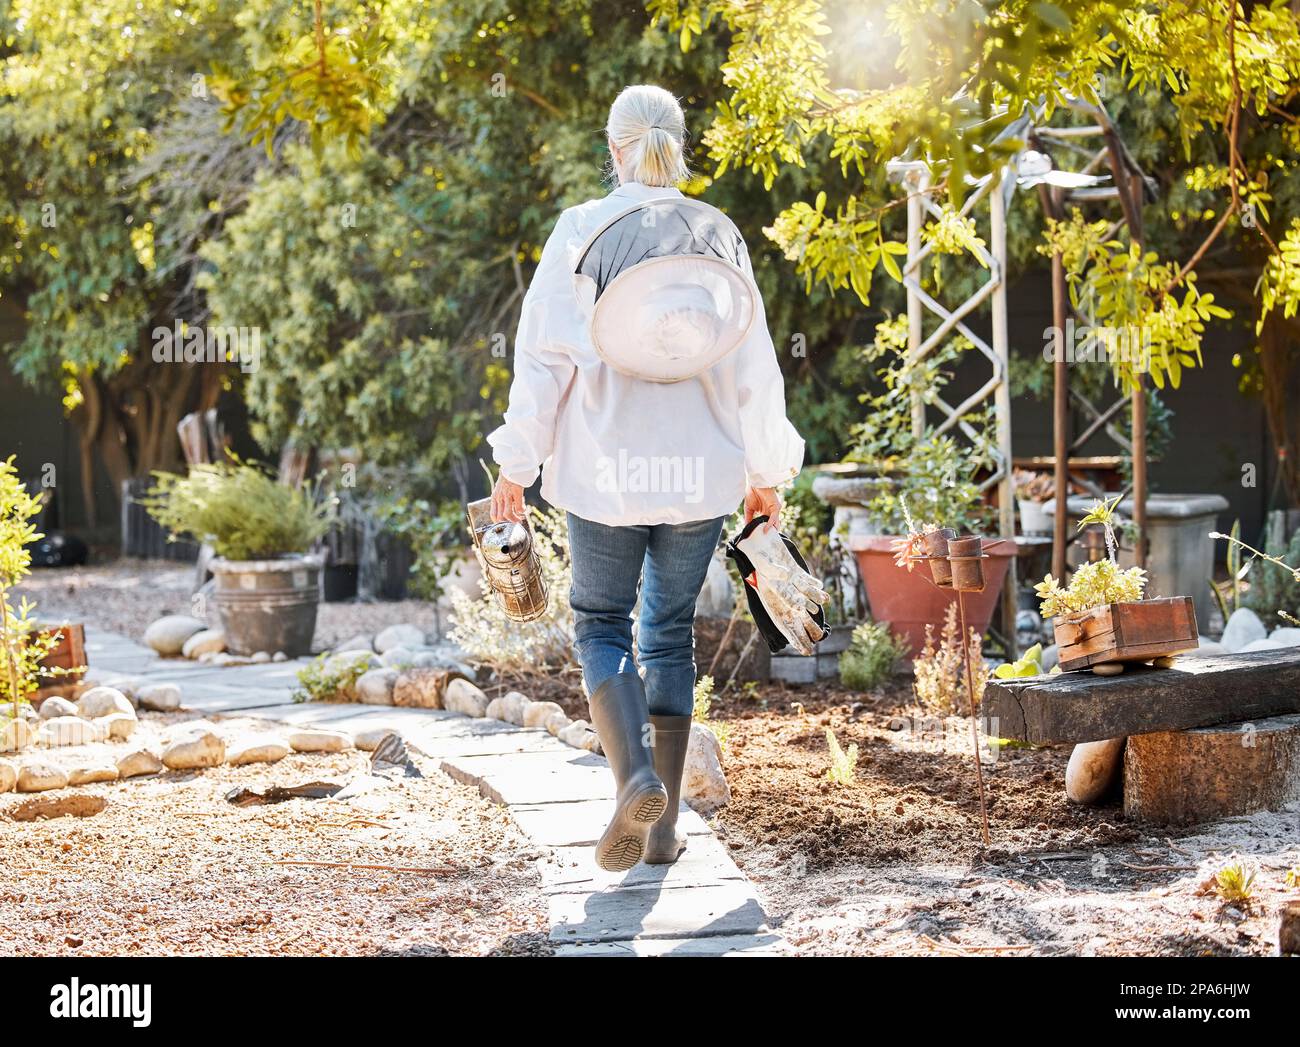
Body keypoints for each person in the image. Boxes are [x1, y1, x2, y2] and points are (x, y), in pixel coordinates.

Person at [487, 84, 805, 871]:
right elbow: (754, 367)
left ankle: (632, 778)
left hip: (606, 469)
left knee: (600, 621)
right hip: (700, 474)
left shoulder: (579, 231)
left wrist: (515, 464)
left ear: (614, 145)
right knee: (667, 633)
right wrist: (767, 471)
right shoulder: (716, 234)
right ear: (676, 144)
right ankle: (662, 831)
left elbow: (542, 361)